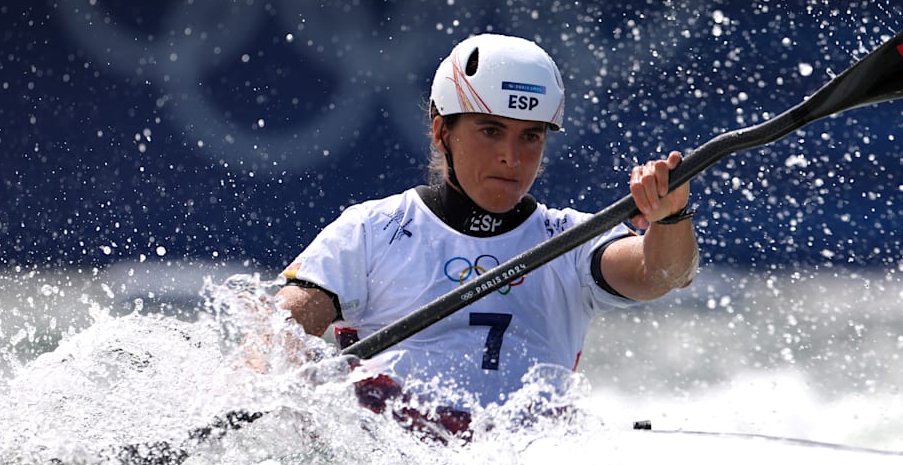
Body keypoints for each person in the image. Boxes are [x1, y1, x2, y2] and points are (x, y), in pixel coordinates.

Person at [274, 33, 699, 438]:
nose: (511, 157)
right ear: (443, 133)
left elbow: (661, 274)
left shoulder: (572, 239)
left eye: (530, 136)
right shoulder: (370, 231)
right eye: (491, 131)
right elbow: (277, 335)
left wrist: (670, 218)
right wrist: (294, 408)